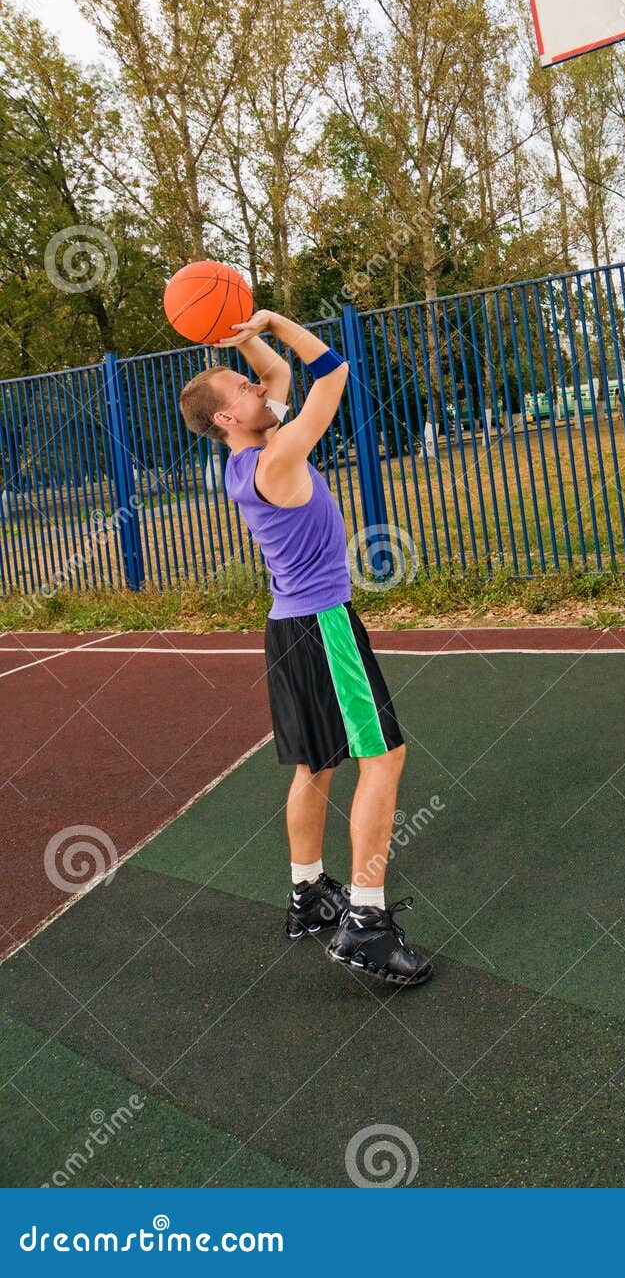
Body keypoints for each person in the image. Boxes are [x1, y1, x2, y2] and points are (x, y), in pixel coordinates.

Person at [177, 309, 432, 989]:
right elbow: (331, 370)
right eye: (242, 388)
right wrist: (274, 319)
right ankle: (366, 926)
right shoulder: (280, 454)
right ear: (228, 417)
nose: (259, 389)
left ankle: (307, 894)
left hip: (287, 628)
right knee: (382, 760)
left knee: (315, 763)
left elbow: (280, 372)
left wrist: (246, 343)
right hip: (324, 627)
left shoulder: (241, 459)